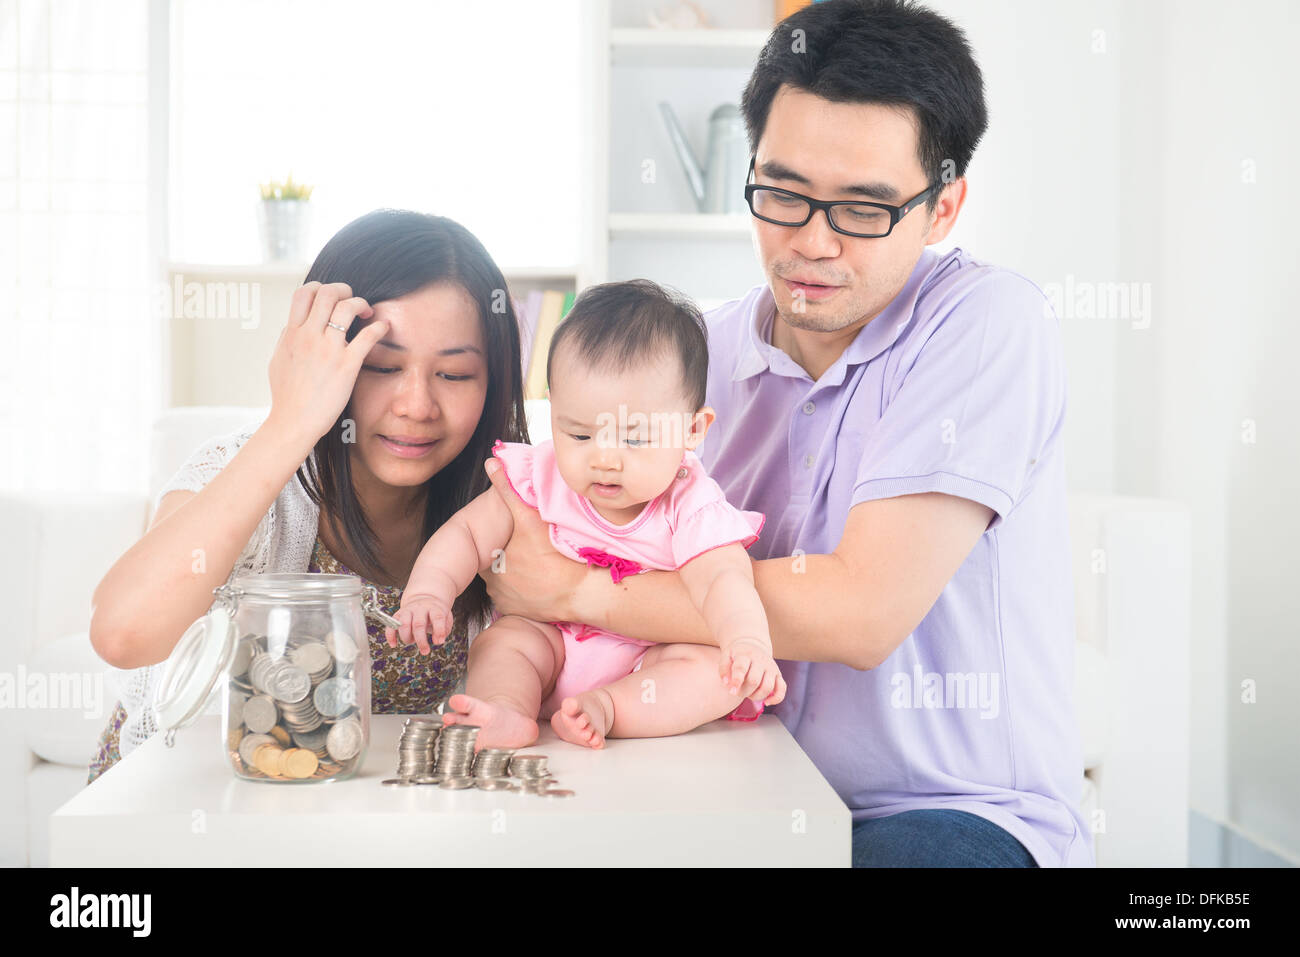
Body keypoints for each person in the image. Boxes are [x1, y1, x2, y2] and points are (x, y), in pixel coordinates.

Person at [474, 0, 1092, 867]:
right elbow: (573, 509)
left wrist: (571, 591)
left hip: (943, 813)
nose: (811, 242)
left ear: (944, 206)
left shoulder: (989, 323)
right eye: (783, 193)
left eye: (863, 209)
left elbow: (859, 611)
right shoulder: (702, 355)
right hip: (741, 772)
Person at [86, 209, 530, 782]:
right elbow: (122, 634)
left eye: (453, 375)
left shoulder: (514, 496)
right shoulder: (252, 473)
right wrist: (290, 422)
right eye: (380, 366)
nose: (417, 405)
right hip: (191, 802)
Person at [386, 280, 785, 750]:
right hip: (548, 641)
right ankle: (509, 711)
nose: (605, 460)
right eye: (579, 435)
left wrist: (747, 642)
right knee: (503, 644)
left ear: (694, 429)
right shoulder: (539, 474)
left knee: (714, 674)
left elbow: (722, 579)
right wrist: (429, 592)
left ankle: (610, 708)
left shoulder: (690, 502)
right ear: (553, 411)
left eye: (635, 439)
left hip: (648, 656)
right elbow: (468, 534)